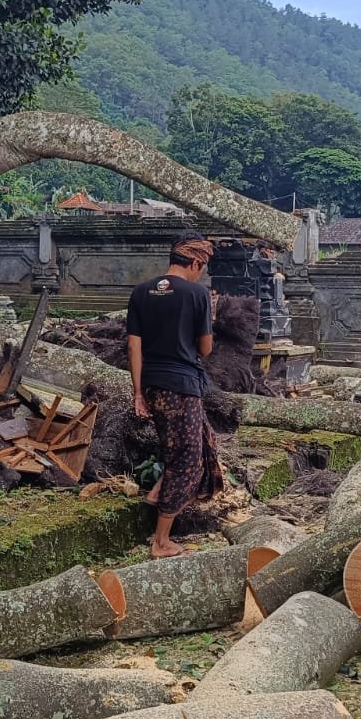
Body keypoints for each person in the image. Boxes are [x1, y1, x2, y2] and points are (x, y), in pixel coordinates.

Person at [126, 232, 226, 558]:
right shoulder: (197, 294)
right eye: (203, 266)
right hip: (181, 387)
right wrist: (208, 313)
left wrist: (138, 392)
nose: (202, 273)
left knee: (203, 439)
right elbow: (206, 349)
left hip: (153, 385)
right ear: (195, 261)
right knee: (187, 462)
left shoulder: (141, 292)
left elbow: (133, 346)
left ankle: (158, 491)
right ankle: (161, 541)